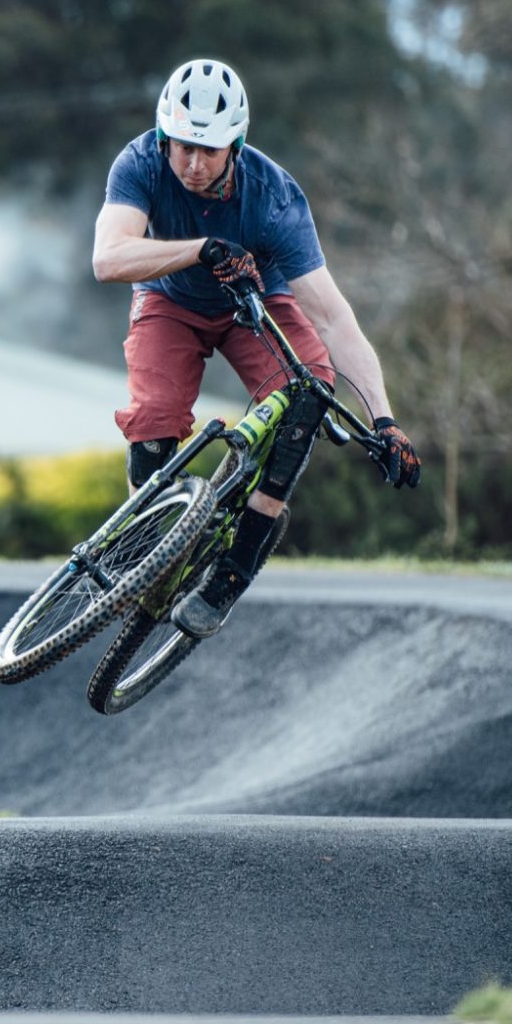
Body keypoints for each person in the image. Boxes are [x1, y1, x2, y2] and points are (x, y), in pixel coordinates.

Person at [91, 58, 422, 637]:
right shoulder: (140, 161)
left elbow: (335, 318)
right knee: (154, 415)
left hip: (255, 305)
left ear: (236, 147)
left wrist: (386, 419)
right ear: (165, 136)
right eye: (183, 147)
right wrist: (201, 250)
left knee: (311, 388)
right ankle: (143, 543)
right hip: (169, 301)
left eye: (209, 151)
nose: (193, 164)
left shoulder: (273, 199)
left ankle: (234, 569)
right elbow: (108, 259)